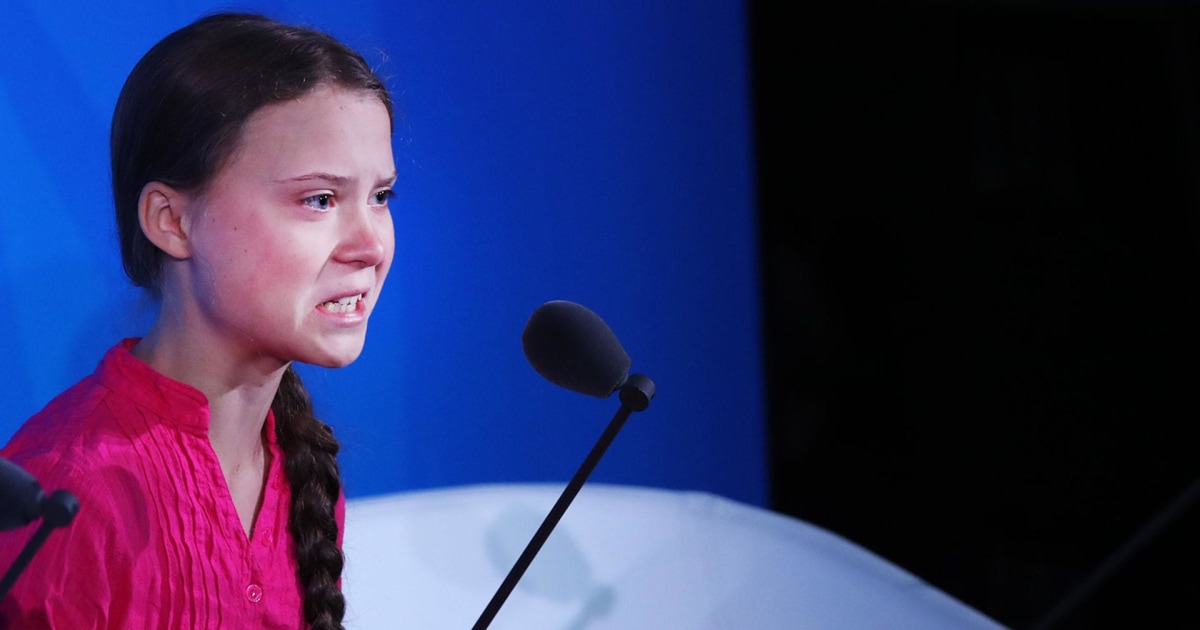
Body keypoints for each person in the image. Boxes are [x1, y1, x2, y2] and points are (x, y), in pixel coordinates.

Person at [0, 11, 396, 630]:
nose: (370, 244)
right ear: (172, 221)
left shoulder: (302, 475)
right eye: (318, 199)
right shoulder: (68, 494)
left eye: (381, 197)